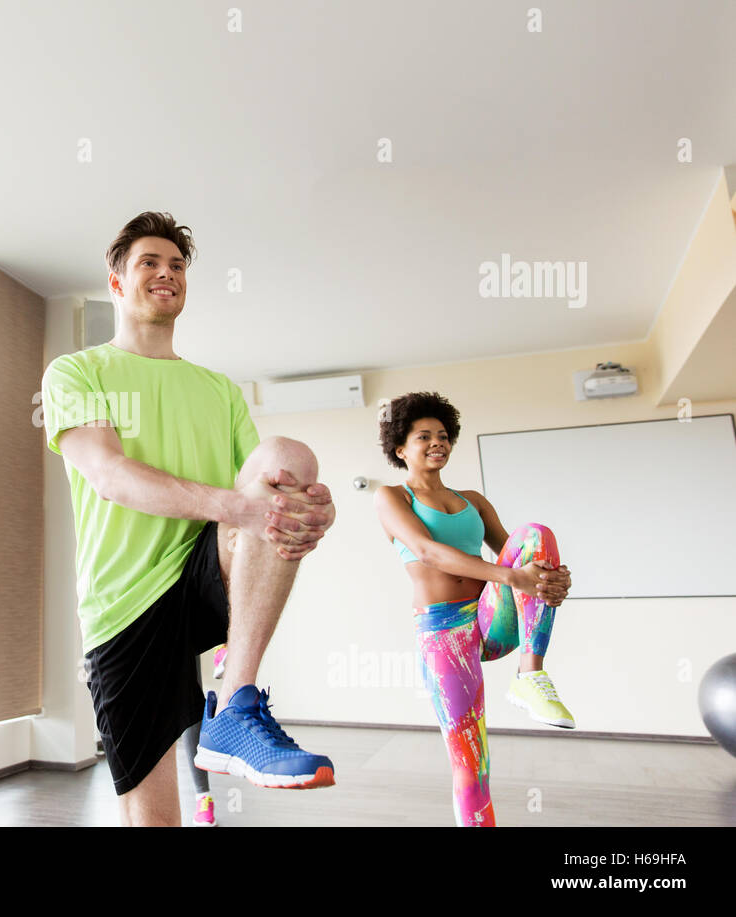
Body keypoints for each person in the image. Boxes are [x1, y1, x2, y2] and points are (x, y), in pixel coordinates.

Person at [42, 211, 337, 828]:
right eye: (148, 262)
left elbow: (261, 496)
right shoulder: (78, 372)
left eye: (176, 265)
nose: (166, 273)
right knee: (155, 819)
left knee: (287, 458)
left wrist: (304, 509)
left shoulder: (220, 391)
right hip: (123, 603)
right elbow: (110, 476)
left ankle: (235, 707)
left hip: (204, 573)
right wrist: (246, 507)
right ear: (117, 283)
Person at [373, 391, 575, 827]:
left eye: (443, 435)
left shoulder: (473, 500)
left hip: (489, 617)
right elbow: (427, 552)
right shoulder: (393, 498)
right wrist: (514, 578)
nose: (436, 442)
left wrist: (550, 578)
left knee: (535, 534)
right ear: (400, 448)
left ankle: (530, 675)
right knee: (471, 765)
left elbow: (519, 558)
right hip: (443, 634)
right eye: (423, 435)